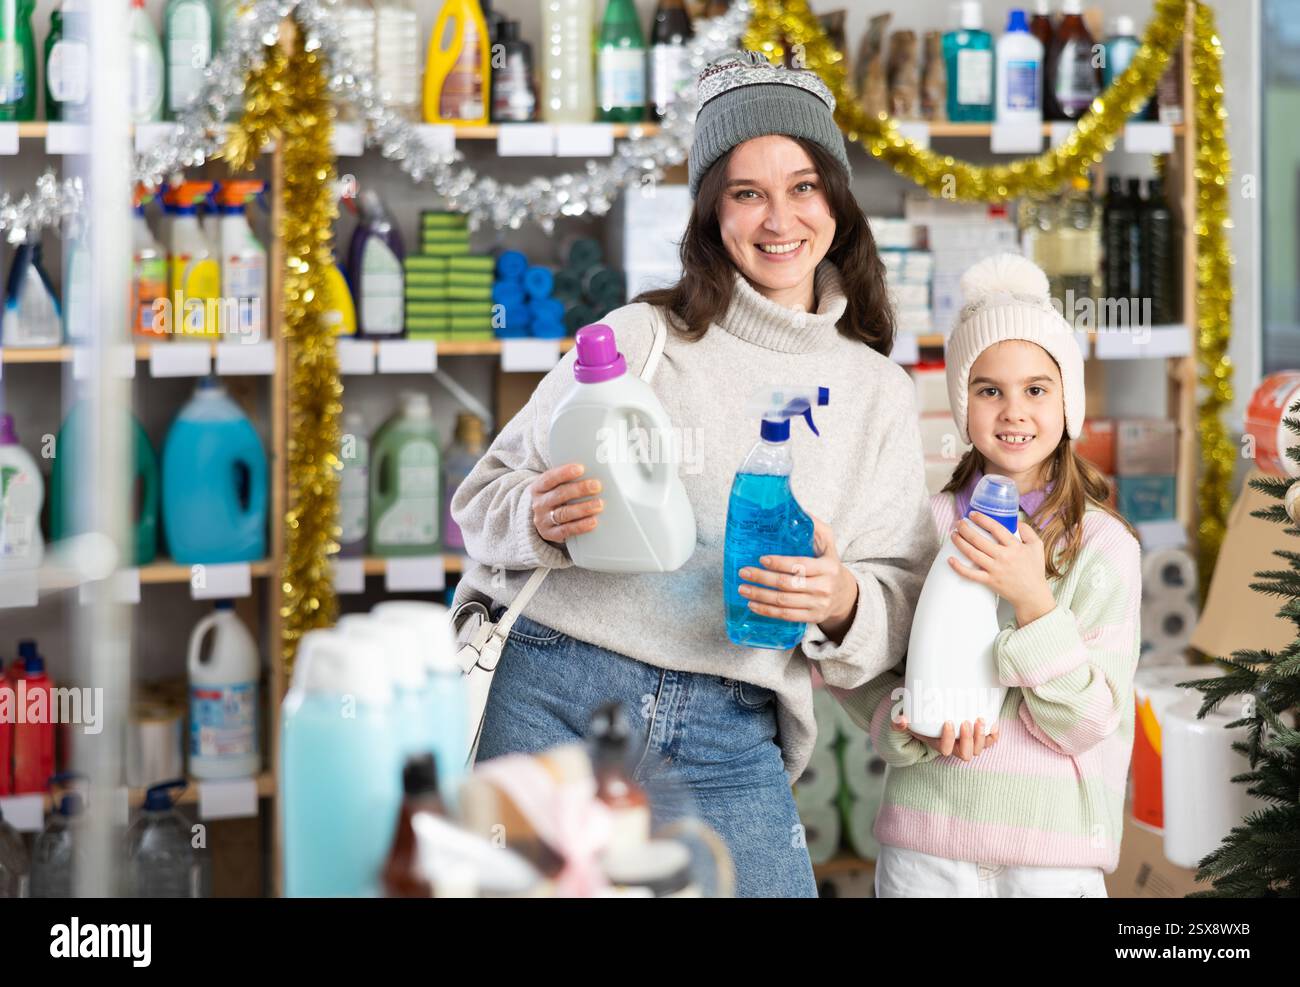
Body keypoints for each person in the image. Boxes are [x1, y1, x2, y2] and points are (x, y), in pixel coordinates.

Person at [450, 51, 936, 897]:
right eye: (746, 191)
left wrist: (841, 598)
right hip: (555, 687)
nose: (778, 218)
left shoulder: (877, 394)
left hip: (729, 723)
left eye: (804, 186)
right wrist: (539, 516)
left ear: (838, 201)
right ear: (713, 213)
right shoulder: (641, 338)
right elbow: (480, 500)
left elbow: (900, 600)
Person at [834, 253, 1142, 898]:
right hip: (928, 848)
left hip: (1051, 859)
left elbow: (1086, 723)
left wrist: (1032, 600)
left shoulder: (1104, 547)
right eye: (988, 389)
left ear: (1068, 401)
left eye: (1037, 388)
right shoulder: (922, 525)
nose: (1013, 411)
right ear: (961, 405)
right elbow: (863, 668)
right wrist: (907, 715)